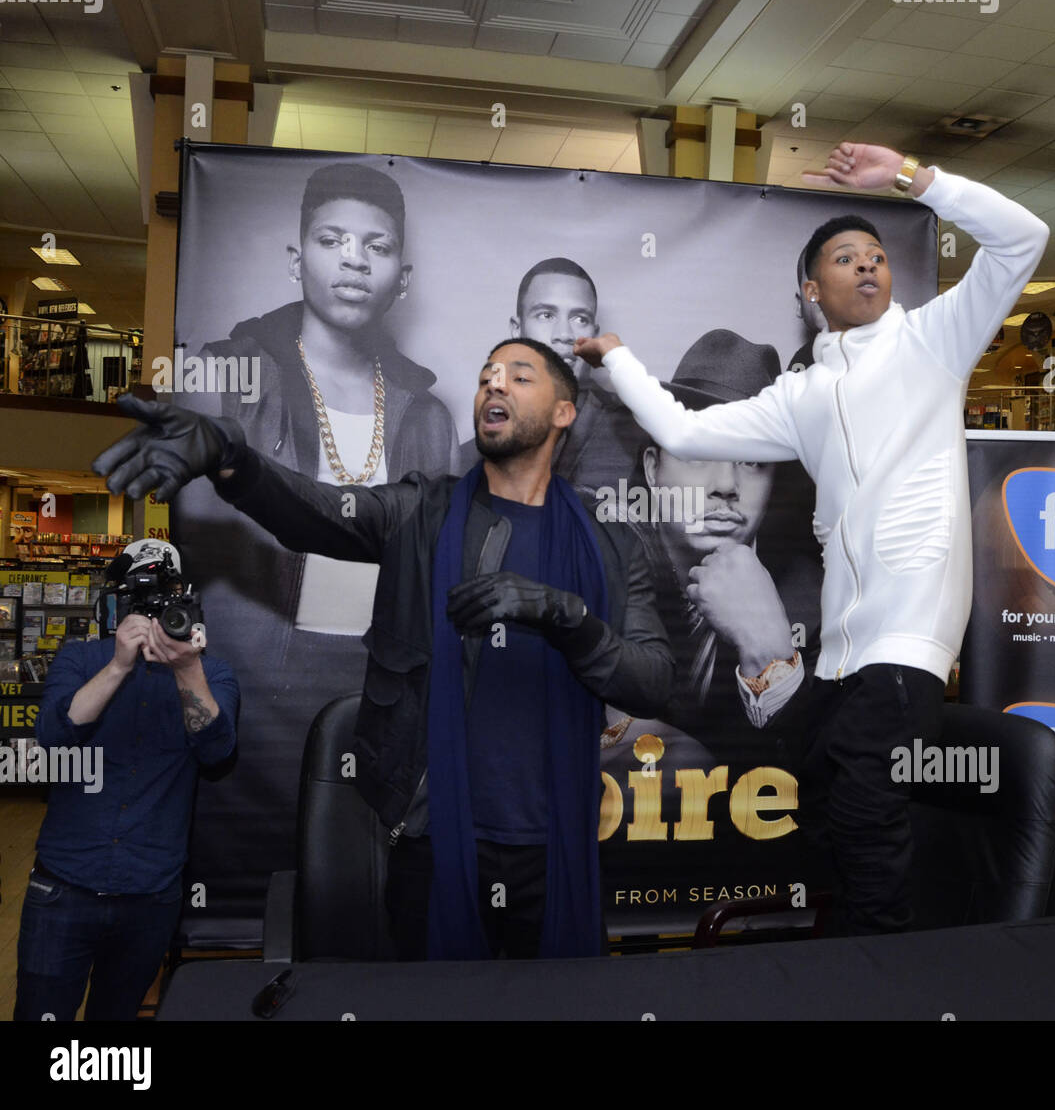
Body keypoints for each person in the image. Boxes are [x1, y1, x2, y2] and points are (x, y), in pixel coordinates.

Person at [577, 141, 1049, 935]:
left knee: (865, 804)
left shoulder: (934, 342)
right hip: (840, 653)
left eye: (876, 257)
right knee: (828, 802)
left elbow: (1024, 237)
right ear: (810, 288)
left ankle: (880, 975)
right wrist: (621, 361)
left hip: (909, 635)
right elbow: (682, 430)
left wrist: (913, 179)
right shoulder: (799, 396)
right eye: (844, 258)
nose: (868, 268)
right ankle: (858, 957)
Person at [93, 337, 672, 961]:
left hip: (556, 850)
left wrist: (566, 615)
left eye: (518, 377)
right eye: (486, 377)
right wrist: (232, 457)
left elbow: (651, 682)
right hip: (435, 842)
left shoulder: (612, 549)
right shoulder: (421, 512)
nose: (494, 387)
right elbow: (312, 512)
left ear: (564, 412)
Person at [172, 162, 461, 928]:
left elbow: (432, 559)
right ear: (298, 258)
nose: (355, 259)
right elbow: (211, 543)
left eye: (377, 245)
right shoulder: (223, 374)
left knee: (368, 896)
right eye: (332, 239)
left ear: (403, 276)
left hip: (380, 681)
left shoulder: (429, 413)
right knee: (256, 891)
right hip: (257, 677)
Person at [14, 540, 238, 1020]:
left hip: (149, 893)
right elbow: (53, 738)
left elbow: (218, 751)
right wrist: (118, 665)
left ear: (185, 597)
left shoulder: (211, 672)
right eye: (140, 598)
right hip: (64, 888)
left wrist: (186, 667)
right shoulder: (79, 660)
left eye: (166, 595)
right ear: (115, 602)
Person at [599, 329, 819, 777]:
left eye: (752, 460)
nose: (725, 485)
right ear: (652, 469)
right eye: (700, 452)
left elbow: (817, 771)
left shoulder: (817, 606)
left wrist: (771, 654)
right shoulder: (600, 570)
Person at [491, 257, 644, 489]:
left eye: (580, 319)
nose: (564, 334)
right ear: (516, 330)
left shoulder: (633, 438)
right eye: (546, 315)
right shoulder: (472, 453)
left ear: (594, 336)